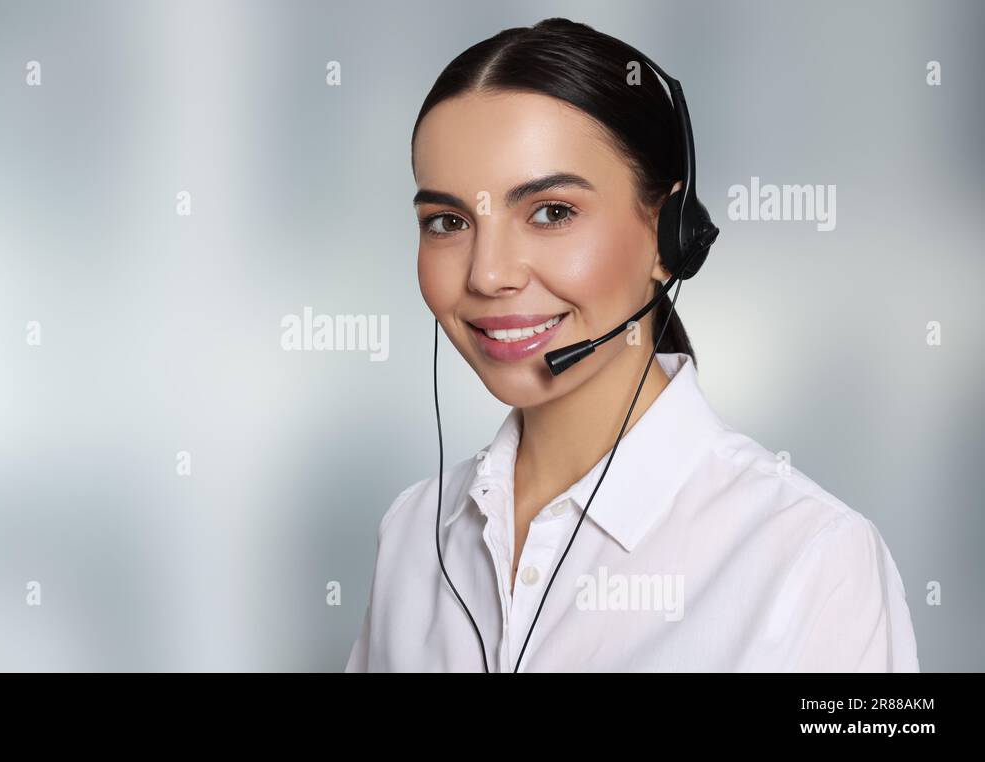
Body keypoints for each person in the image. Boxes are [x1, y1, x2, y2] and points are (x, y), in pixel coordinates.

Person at [345, 17, 918, 672]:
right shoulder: (416, 533)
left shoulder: (810, 559)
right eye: (448, 222)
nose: (487, 274)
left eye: (551, 212)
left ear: (671, 238)